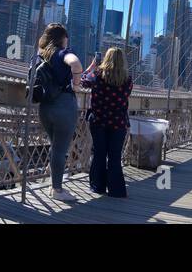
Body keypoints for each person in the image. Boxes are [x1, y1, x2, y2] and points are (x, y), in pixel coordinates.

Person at [31, 23, 82, 201]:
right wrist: (76, 84)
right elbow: (75, 64)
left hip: (45, 107)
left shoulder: (40, 55)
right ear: (62, 38)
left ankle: (54, 179)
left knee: (55, 147)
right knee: (60, 149)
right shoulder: (62, 53)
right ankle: (57, 190)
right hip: (64, 107)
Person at [80, 46, 133, 197]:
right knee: (115, 156)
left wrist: (91, 66)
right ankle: (117, 190)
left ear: (106, 59)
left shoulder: (97, 74)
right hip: (119, 123)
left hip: (99, 121)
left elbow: (83, 80)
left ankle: (98, 187)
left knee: (99, 154)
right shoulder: (128, 79)